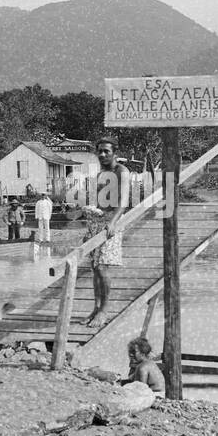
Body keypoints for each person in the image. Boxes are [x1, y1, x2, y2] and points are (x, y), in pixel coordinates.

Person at [84, 136, 131, 327]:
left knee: (103, 268)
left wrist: (112, 223)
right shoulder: (102, 173)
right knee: (94, 268)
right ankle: (95, 308)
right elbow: (101, 200)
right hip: (98, 220)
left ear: (115, 154)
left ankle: (104, 310)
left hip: (113, 221)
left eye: (107, 151)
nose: (102, 154)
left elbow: (123, 202)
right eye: (100, 151)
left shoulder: (122, 171)